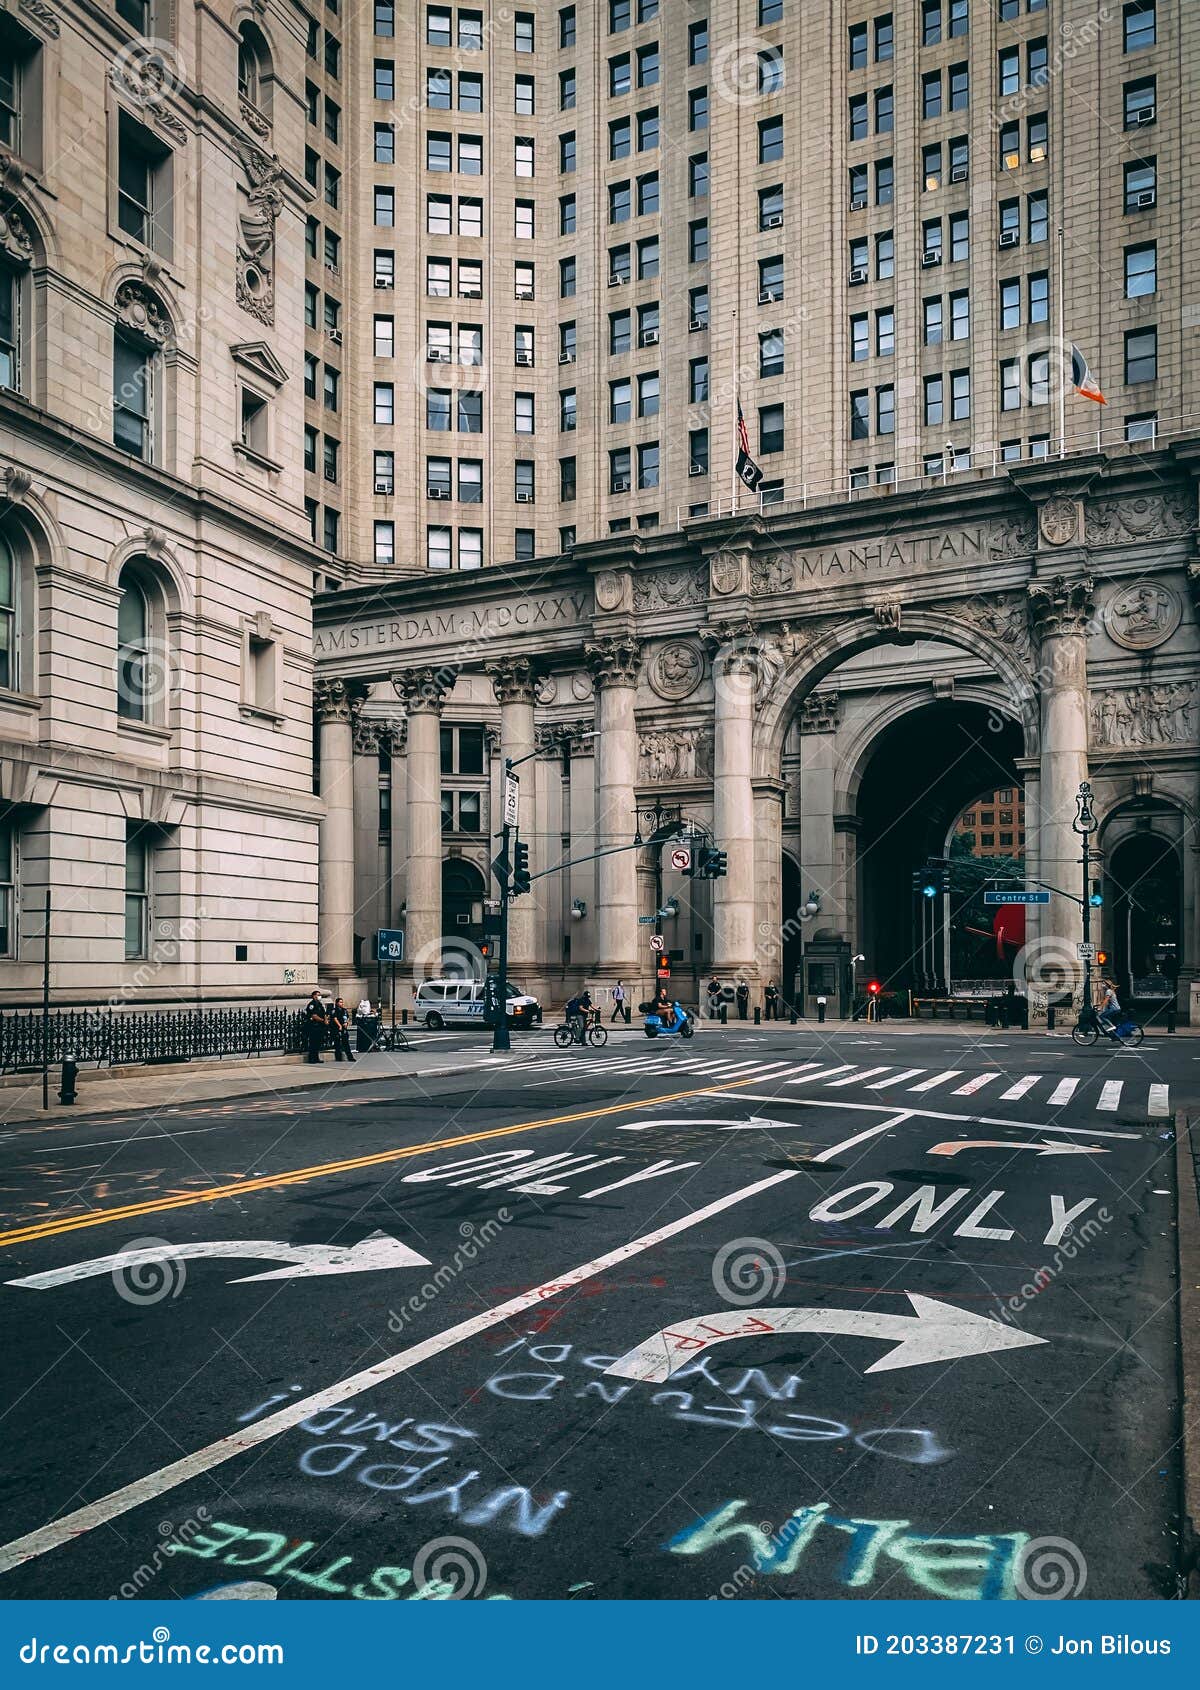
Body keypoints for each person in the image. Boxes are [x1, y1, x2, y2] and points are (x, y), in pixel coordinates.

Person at [303, 989, 328, 1063]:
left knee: (318, 1043)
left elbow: (324, 1013)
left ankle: (316, 1058)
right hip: (314, 1026)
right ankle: (311, 1058)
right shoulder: (312, 1004)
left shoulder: (319, 1004)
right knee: (313, 1043)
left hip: (320, 1026)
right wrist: (323, 1020)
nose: (320, 997)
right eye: (318, 995)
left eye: (320, 995)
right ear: (314, 996)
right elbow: (314, 1016)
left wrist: (325, 1019)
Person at [329, 996, 355, 1062]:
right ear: (337, 1003)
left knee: (346, 1043)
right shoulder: (334, 1010)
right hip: (336, 1028)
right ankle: (338, 1057)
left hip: (344, 1028)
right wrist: (339, 1025)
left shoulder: (344, 1010)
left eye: (342, 1002)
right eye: (340, 1002)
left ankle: (350, 1057)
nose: (342, 1003)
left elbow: (347, 1017)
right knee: (337, 1043)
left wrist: (346, 1023)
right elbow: (335, 1018)